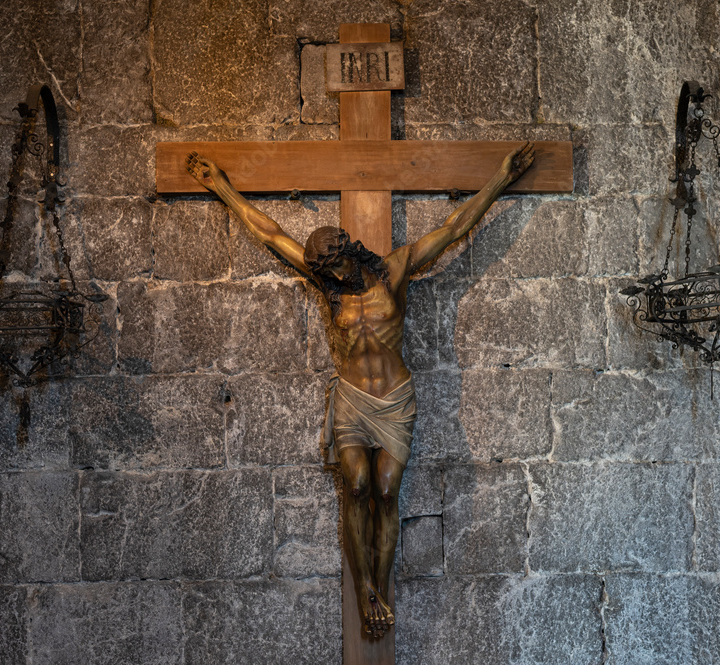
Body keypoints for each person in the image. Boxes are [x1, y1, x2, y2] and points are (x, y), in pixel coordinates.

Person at [186, 142, 536, 638]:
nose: (329, 277)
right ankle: (366, 585)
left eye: (333, 267)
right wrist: (220, 184)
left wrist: (501, 178)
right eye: (323, 273)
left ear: (346, 253)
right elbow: (270, 232)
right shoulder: (328, 284)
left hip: (393, 400)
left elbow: (455, 228)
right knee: (355, 486)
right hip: (352, 400)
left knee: (387, 491)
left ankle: (383, 581)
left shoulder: (394, 271)